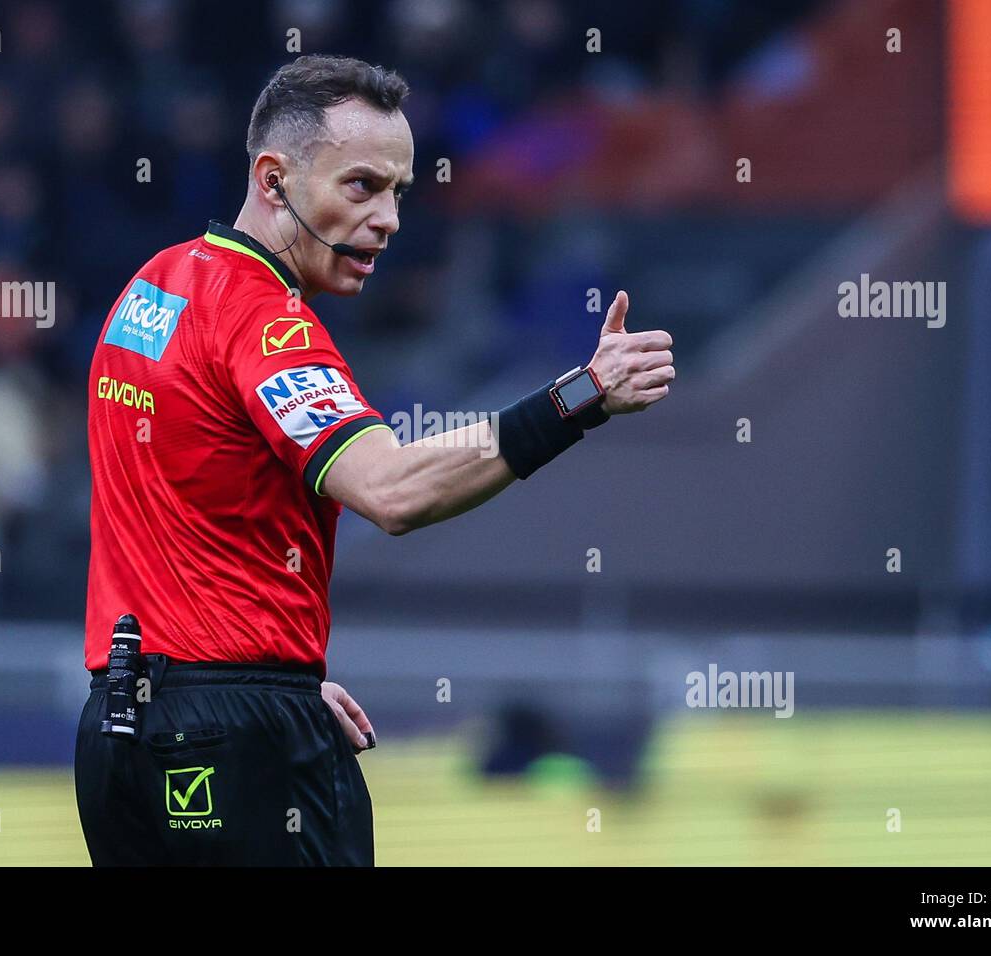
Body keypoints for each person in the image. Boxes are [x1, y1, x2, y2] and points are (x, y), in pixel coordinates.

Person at [74, 54, 675, 866]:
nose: (389, 219)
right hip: (232, 737)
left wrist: (263, 676)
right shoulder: (268, 323)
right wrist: (581, 396)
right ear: (274, 179)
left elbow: (186, 516)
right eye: (362, 186)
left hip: (121, 732)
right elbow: (390, 490)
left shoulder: (152, 288)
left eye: (399, 192)